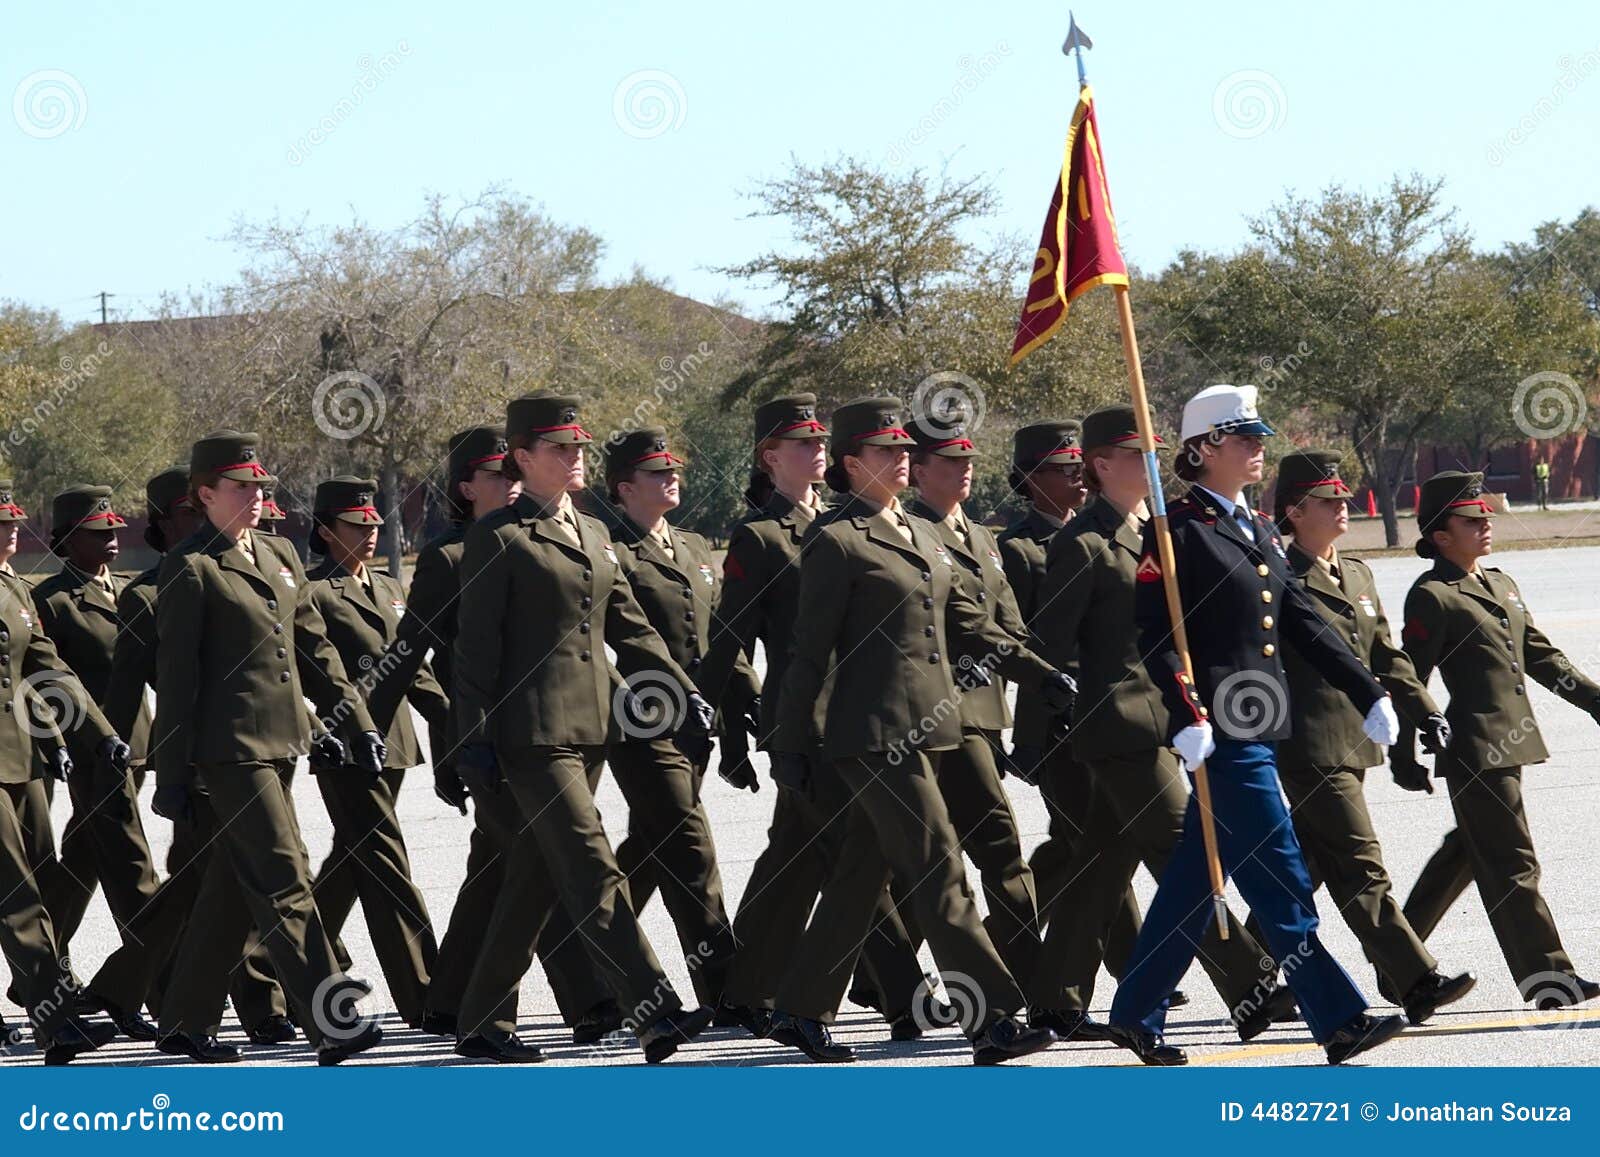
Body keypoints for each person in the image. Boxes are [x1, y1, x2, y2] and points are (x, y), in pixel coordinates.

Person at [766, 395, 1075, 1066]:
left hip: (931, 730)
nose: (903, 459)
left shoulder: (922, 533)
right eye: (887, 451)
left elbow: (971, 622)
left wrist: (1039, 672)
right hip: (873, 736)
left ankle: (799, 1007)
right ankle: (991, 1018)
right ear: (851, 463)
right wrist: (789, 738)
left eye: (907, 449)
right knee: (940, 870)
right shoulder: (836, 540)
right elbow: (808, 651)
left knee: (857, 877)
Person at [1106, 383, 1406, 1067]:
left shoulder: (1257, 528)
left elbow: (1301, 619)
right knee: (1280, 873)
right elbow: (1155, 635)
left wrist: (1367, 688)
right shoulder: (1174, 530)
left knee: (1195, 878)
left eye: (1258, 437)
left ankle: (1133, 1011)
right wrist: (1185, 715)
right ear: (1204, 448)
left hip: (1260, 727)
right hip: (1220, 734)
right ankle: (1339, 1018)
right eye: (1244, 438)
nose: (1258, 449)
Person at [451, 393, 717, 1064]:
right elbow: (475, 647)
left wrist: (684, 692)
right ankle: (653, 1008)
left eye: (578, 447)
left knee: (537, 877)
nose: (575, 457)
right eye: (559, 448)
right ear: (522, 457)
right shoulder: (499, 535)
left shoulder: (595, 533)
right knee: (593, 862)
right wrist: (471, 736)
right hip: (530, 733)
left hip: (592, 725)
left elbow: (630, 627)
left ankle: (482, 1019)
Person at [1028, 405, 1283, 1042]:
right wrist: (1035, 736)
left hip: (1171, 715)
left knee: (1100, 863)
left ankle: (1055, 999)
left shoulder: (1167, 529)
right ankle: (1251, 988)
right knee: (1187, 850)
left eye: (1153, 449)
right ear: (1101, 465)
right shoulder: (1082, 543)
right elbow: (1048, 645)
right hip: (1118, 723)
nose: (1148, 459)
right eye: (1131, 450)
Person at [149, 430, 387, 1065]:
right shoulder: (191, 567)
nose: (255, 496)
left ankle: (184, 1020)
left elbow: (314, 648)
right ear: (205, 494)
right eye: (240, 487)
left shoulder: (279, 554)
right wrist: (171, 776)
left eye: (259, 486)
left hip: (282, 743)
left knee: (234, 883)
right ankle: (330, 1022)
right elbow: (177, 682)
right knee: (285, 876)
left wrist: (357, 719)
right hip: (228, 752)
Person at [697, 395, 926, 1042]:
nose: (817, 448)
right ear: (770, 457)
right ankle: (904, 994)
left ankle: (741, 991)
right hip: (807, 722)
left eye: (821, 439)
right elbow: (729, 636)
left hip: (854, 716)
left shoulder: (845, 521)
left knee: (795, 859)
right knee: (862, 853)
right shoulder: (760, 537)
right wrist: (709, 718)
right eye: (801, 442)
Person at [1267, 451, 1476, 1025]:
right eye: (1329, 501)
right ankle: (1413, 979)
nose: (1344, 508)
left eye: (1343, 498)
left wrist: (1423, 710)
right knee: (1362, 864)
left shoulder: (1355, 572)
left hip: (1356, 742)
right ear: (1294, 511)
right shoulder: (1278, 576)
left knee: (1304, 870)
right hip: (1309, 744)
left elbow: (1387, 655)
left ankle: (1254, 976)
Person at [97, 466, 293, 1046]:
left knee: (217, 884)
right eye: (186, 514)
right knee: (239, 878)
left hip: (251, 751)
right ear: (167, 522)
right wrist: (131, 760)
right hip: (202, 758)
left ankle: (221, 1008)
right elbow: (137, 689)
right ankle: (267, 1003)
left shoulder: (251, 564)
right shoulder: (154, 590)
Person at [1395, 470, 1599, 1009]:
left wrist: (1596, 701)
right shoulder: (1433, 595)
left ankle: (1397, 959)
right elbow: (1406, 676)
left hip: (1513, 744)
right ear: (1441, 535)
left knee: (1465, 855)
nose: (1485, 525)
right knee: (1513, 864)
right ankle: (1549, 979)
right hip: (1476, 749)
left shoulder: (1501, 584)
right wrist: (1403, 749)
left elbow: (1541, 657)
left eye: (1486, 516)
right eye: (1470, 519)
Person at [603, 428, 745, 1013]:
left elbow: (717, 639)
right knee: (691, 852)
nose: (672, 478)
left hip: (697, 725)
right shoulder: (609, 548)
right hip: (643, 722)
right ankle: (728, 991)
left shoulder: (691, 547)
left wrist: (746, 697)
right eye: (657, 473)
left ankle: (588, 961)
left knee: (650, 850)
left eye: (674, 470)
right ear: (624, 488)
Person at [997, 421, 1141, 985]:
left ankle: (1004, 942)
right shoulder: (1018, 549)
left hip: (1109, 713)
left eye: (1080, 465)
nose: (1077, 477)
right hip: (1060, 718)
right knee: (1098, 841)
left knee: (1077, 845)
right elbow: (1035, 645)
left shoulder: (1106, 532)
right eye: (1061, 468)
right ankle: (1132, 967)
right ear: (1031, 478)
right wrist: (1028, 736)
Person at [901, 417, 1041, 983]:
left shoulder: (982, 538)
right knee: (993, 842)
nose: (966, 470)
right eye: (951, 462)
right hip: (942, 709)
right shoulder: (911, 533)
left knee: (948, 849)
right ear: (918, 472)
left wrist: (1035, 673)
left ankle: (881, 973)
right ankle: (1034, 978)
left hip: (985, 710)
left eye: (969, 460)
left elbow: (1009, 622)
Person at [303, 476, 446, 1029]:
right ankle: (426, 994)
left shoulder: (387, 586)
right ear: (324, 530)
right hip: (345, 748)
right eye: (355, 526)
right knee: (388, 866)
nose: (369, 533)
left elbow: (409, 663)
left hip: (392, 743)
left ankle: (275, 959)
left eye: (374, 525)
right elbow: (318, 675)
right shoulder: (314, 593)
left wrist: (451, 714)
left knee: (350, 861)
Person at [29, 486, 161, 1041]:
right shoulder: (53, 602)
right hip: (92, 756)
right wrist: (69, 743)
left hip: (135, 746)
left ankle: (41, 973)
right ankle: (139, 991)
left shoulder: (126, 594)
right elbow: (45, 682)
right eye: (95, 533)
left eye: (113, 531)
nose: (110, 541)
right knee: (133, 873)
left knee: (81, 865)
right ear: (66, 542)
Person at [0, 484, 125, 1065]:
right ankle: (57, 1023)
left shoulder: (18, 592)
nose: (11, 534)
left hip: (21, 758)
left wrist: (97, 733)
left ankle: (51, 1005)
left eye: (14, 524)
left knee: (42, 879)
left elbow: (48, 672)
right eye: (1, 527)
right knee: (18, 892)